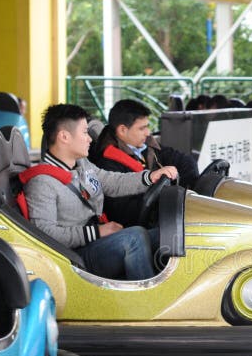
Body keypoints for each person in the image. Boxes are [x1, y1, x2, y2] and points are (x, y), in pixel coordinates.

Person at [23, 104, 178, 281]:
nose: (90, 139)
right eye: (84, 132)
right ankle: (146, 302)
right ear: (64, 137)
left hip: (96, 242)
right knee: (135, 237)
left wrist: (150, 177)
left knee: (168, 233)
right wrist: (97, 232)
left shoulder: (82, 165)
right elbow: (44, 233)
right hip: (74, 258)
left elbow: (113, 182)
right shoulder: (42, 182)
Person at [90, 99, 200, 227]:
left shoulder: (148, 148)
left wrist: (189, 191)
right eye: (142, 128)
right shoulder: (107, 164)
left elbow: (185, 161)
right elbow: (125, 214)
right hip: (136, 230)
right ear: (122, 130)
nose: (148, 133)